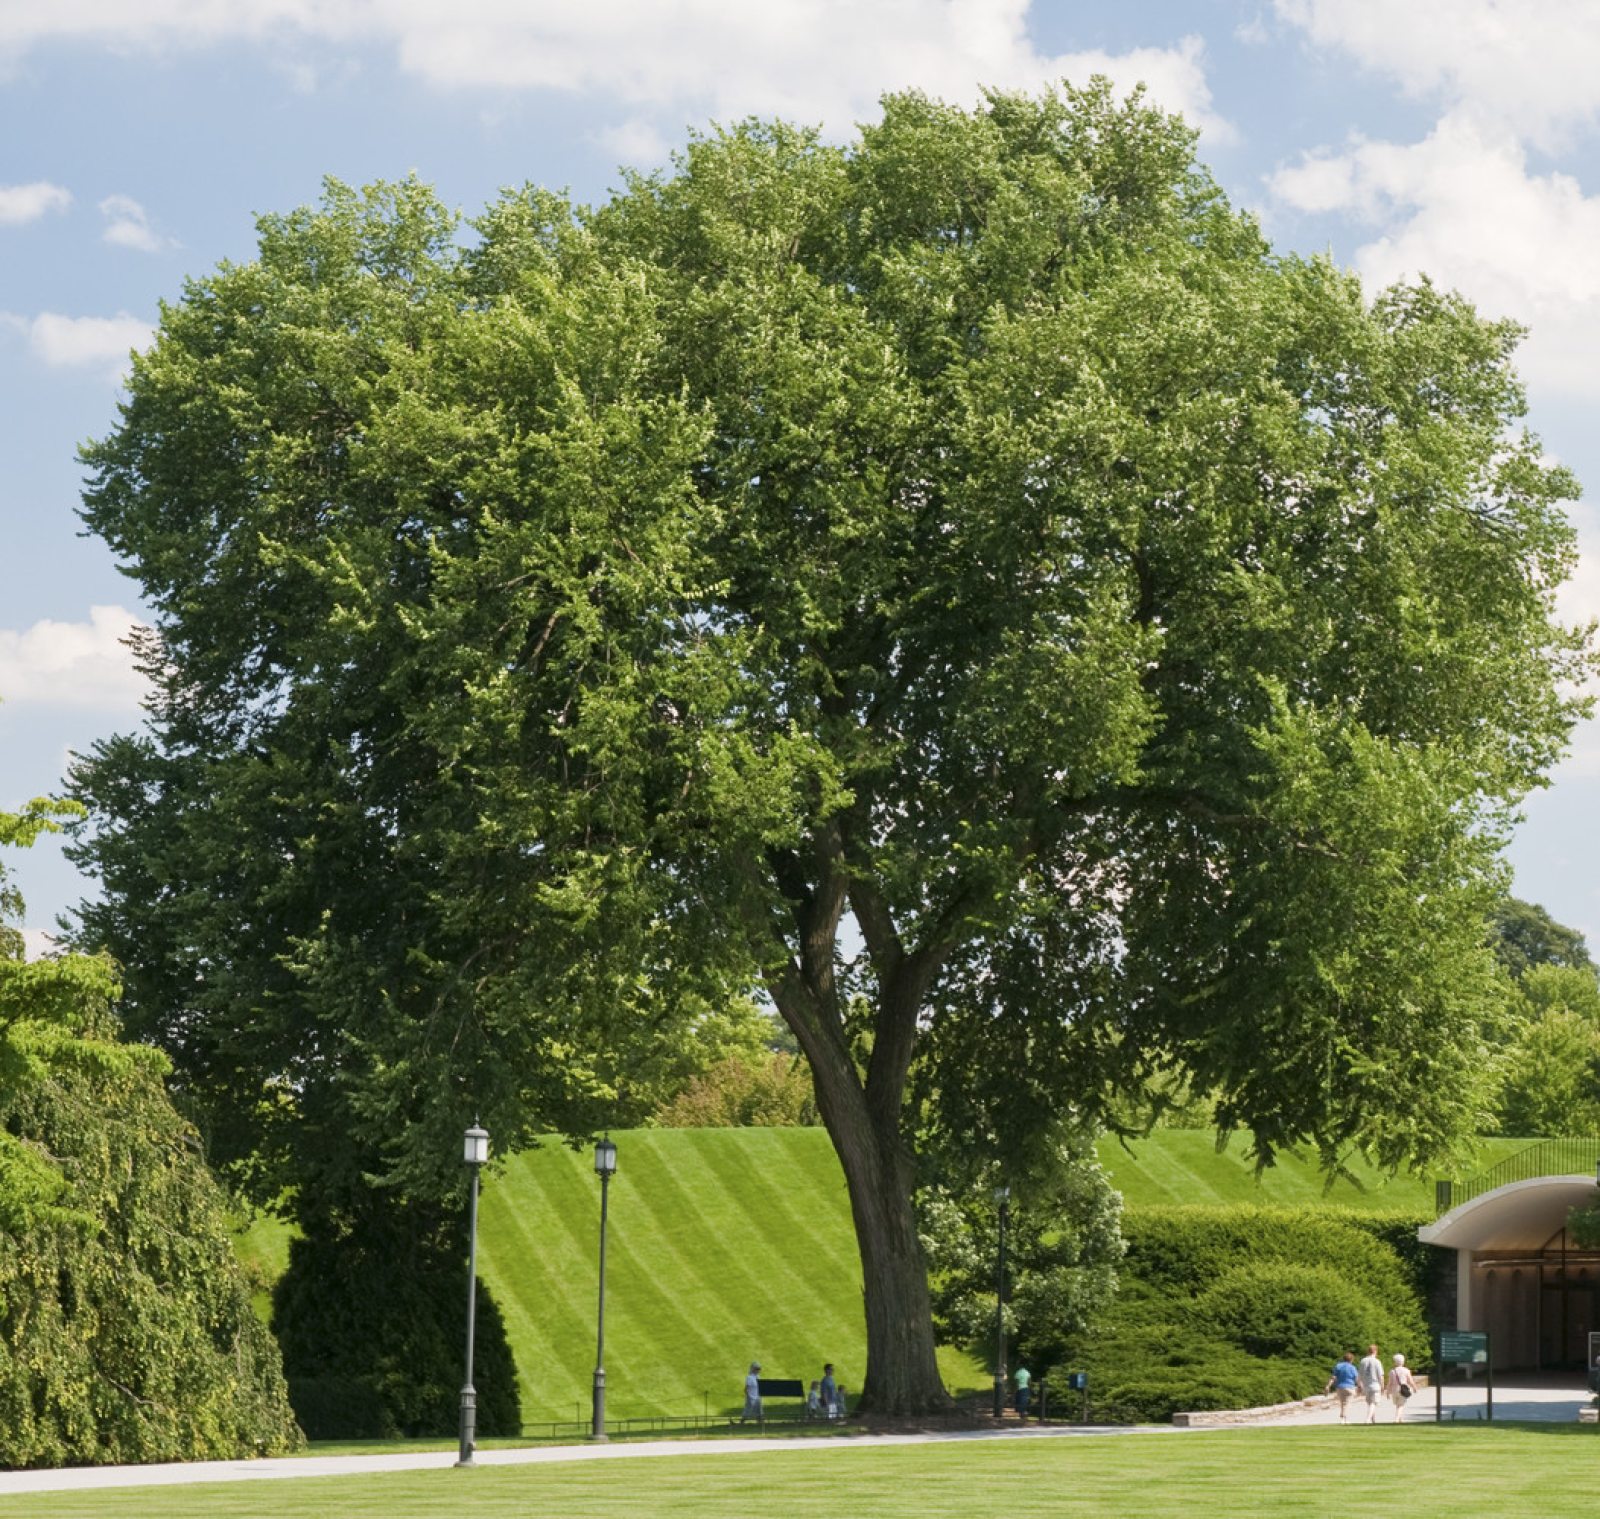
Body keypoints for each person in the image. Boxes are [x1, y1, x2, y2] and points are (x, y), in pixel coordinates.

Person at [1326, 1352, 1359, 1422]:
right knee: (1347, 1404)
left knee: (1342, 1403)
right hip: (1350, 1387)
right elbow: (1356, 1378)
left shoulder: (1338, 1366)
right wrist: (1360, 1386)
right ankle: (1343, 1417)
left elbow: (1333, 1377)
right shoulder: (1352, 1367)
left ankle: (1343, 1419)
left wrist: (1328, 1385)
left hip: (1340, 1387)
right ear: (1352, 1360)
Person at [1356, 1344, 1385, 1423]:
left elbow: (1359, 1375)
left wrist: (1359, 1385)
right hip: (1375, 1384)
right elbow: (1380, 1375)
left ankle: (1373, 1419)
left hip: (1366, 1385)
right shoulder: (1377, 1361)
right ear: (1375, 1351)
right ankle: (1368, 1419)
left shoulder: (1363, 1361)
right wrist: (1382, 1386)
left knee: (1370, 1403)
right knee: (1373, 1403)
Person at [1384, 1353, 1416, 1422]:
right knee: (1401, 1405)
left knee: (1398, 1405)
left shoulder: (1392, 1371)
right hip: (1403, 1390)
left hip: (1394, 1390)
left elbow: (1389, 1383)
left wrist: (1387, 1392)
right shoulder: (1406, 1370)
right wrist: (1414, 1387)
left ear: (1395, 1362)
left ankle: (1400, 1419)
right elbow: (1410, 1381)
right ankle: (1396, 1419)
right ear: (1403, 1361)